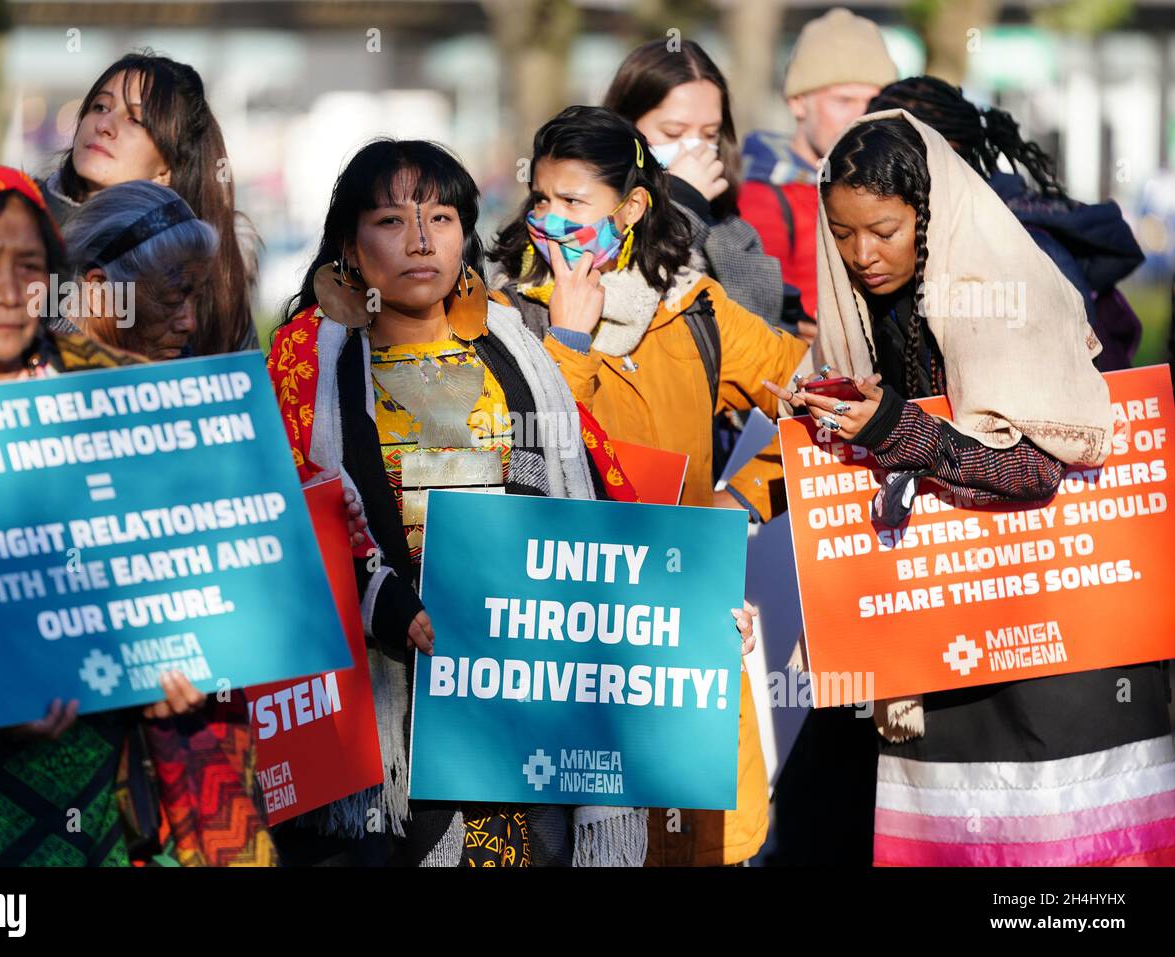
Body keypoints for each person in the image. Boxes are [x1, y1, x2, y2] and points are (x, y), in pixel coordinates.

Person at [269, 137, 760, 867]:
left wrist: (690, 609)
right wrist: (384, 601)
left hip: (527, 699)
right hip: (389, 714)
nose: (419, 241)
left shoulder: (517, 347)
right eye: (390, 220)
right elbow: (281, 529)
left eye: (439, 218)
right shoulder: (304, 361)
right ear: (348, 240)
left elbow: (595, 504)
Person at [766, 112, 1175, 866]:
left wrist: (892, 425)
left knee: (1060, 873)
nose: (862, 254)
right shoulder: (862, 308)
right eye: (843, 233)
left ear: (930, 213)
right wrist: (820, 407)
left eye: (884, 230)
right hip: (944, 648)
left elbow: (1033, 468)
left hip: (1053, 653)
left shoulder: (1001, 292)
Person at [0, 163, 225, 866]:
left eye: (31, 267)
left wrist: (164, 665)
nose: (10, 293)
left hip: (87, 790)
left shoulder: (95, 389)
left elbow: (147, 568)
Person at [489, 105, 806, 865]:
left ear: (631, 208)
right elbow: (520, 463)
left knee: (687, 845)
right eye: (542, 199)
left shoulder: (694, 307)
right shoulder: (501, 315)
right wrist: (567, 340)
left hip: (681, 641)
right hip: (559, 642)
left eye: (575, 203)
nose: (553, 220)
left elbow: (818, 401)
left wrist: (742, 500)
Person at [867, 75, 1145, 372]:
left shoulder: (1028, 247)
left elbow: (1078, 382)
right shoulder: (928, 235)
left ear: (945, 151)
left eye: (889, 162)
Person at [42, 50, 257, 355]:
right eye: (100, 106)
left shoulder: (213, 272)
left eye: (135, 119)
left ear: (167, 169)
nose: (105, 125)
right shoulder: (15, 231)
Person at [603, 39, 785, 330]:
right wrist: (682, 200)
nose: (694, 149)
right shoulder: (590, 215)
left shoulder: (733, 230)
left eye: (710, 134)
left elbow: (753, 330)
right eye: (673, 132)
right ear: (625, 125)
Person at [739, 6, 897, 333]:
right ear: (797, 101)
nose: (862, 116)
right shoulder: (762, 196)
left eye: (875, 102)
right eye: (844, 100)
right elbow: (758, 318)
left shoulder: (894, 185)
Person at [57, 180, 215, 361]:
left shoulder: (192, 377)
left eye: (198, 300)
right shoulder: (38, 380)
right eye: (172, 301)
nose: (190, 324)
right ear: (99, 292)